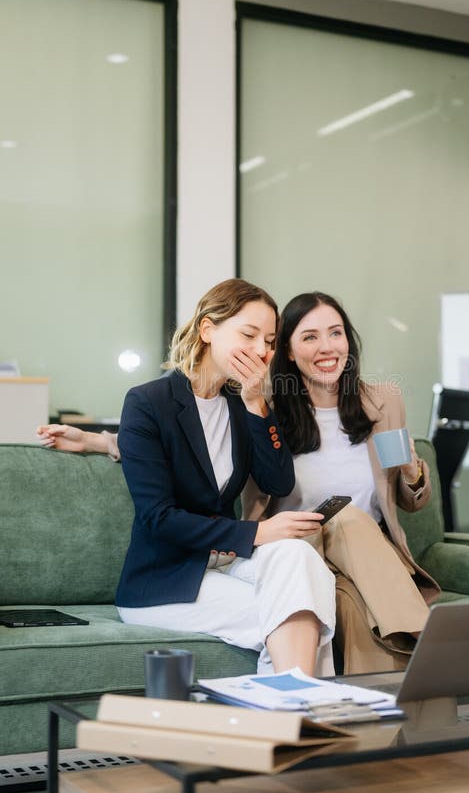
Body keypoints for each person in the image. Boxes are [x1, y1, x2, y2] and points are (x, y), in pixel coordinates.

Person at [39, 279, 336, 677]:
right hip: (164, 579)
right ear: (208, 330)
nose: (261, 351)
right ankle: (301, 712)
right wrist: (254, 534)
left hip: (223, 564)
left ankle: (292, 705)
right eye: (248, 335)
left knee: (298, 556)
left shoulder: (244, 402)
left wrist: (255, 403)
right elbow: (158, 517)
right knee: (296, 611)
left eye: (268, 341)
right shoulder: (149, 402)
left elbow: (278, 483)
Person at [242, 291, 440, 673]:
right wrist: (105, 441)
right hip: (301, 554)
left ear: (348, 339)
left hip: (367, 560)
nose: (327, 347)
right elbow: (202, 441)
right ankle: (433, 644)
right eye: (310, 337)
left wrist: (413, 472)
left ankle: (380, 724)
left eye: (336, 333)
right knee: (342, 515)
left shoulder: (383, 403)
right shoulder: (264, 408)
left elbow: (410, 498)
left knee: (351, 608)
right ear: (288, 349)